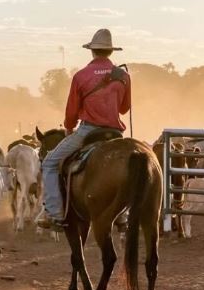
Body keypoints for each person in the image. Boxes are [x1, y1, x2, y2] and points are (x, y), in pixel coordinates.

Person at [36, 28, 132, 230]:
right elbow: (124, 108)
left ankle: (55, 213)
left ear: (92, 51)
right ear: (111, 52)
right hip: (115, 134)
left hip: (89, 131)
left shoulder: (81, 76)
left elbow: (71, 113)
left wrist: (69, 129)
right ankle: (124, 214)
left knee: (50, 163)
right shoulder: (123, 75)